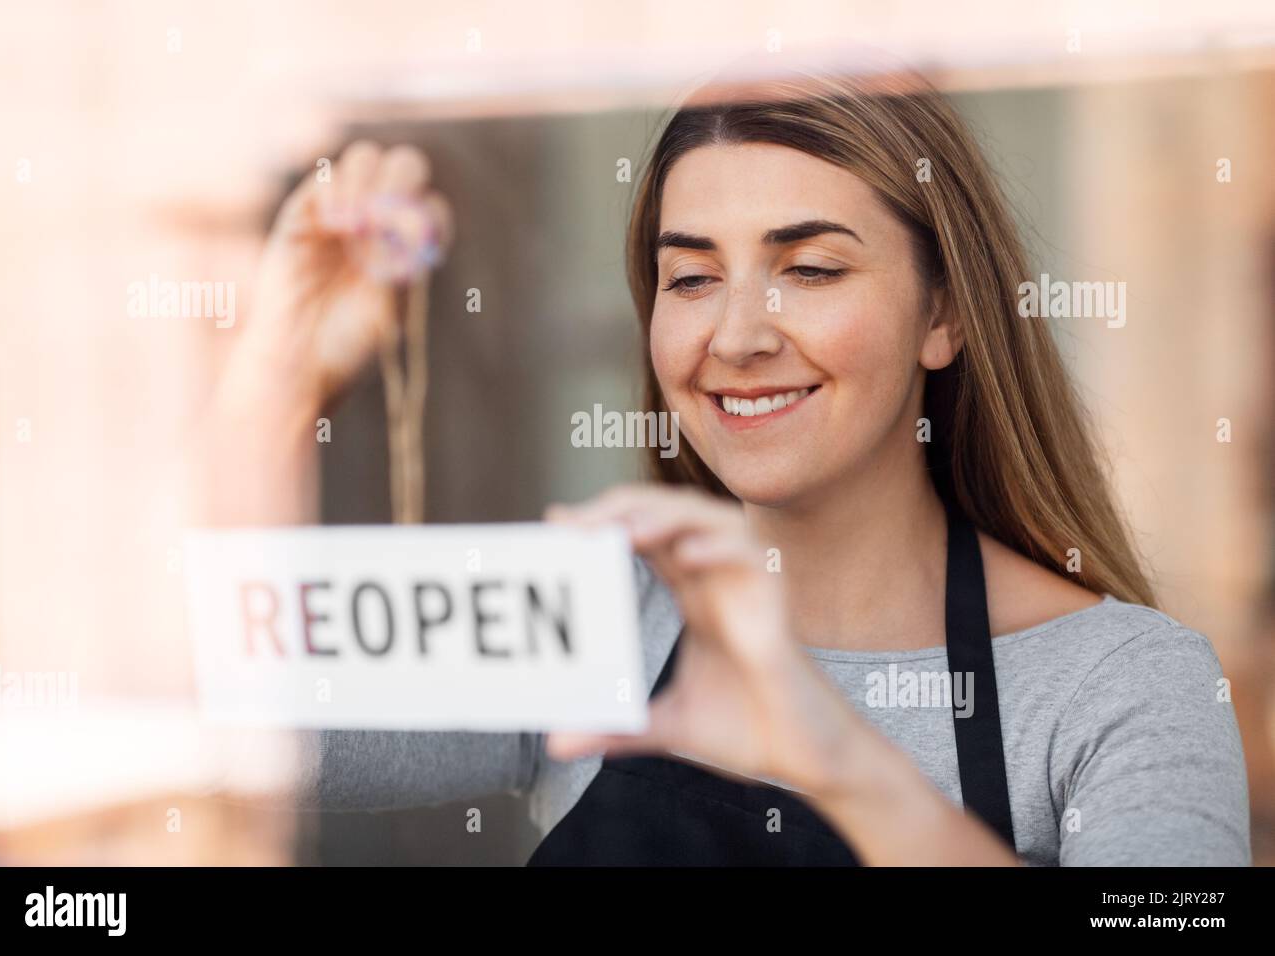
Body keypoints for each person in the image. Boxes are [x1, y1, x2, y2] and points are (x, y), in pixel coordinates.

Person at [204, 69, 1251, 865]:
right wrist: (275, 374)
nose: (738, 334)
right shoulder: (598, 614)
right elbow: (215, 711)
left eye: (809, 268)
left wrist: (830, 754)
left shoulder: (1123, 684)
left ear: (943, 313)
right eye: (692, 277)